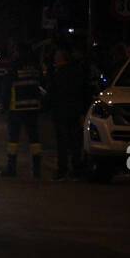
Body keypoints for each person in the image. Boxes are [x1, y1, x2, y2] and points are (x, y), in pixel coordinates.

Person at [0, 42, 45, 178]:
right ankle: (37, 169)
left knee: (13, 139)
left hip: (16, 108)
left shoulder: (15, 66)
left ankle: (11, 167)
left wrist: (4, 105)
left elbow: (7, 87)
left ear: (18, 51)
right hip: (33, 107)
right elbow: (41, 86)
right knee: (34, 139)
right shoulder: (35, 66)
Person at [48, 45, 90, 180]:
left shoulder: (58, 74)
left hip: (61, 113)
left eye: (56, 56)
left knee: (62, 144)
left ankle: (63, 170)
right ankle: (76, 170)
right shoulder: (77, 72)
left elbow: (52, 94)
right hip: (75, 112)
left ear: (61, 59)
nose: (54, 58)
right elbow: (84, 93)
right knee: (75, 143)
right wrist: (83, 112)